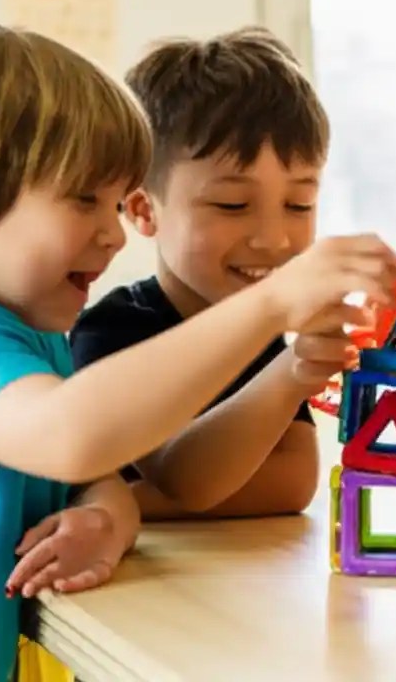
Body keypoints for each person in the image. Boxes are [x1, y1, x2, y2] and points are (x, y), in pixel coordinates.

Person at [0, 22, 396, 681]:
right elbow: (72, 435)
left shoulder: (31, 339)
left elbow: (99, 481)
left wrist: (101, 521)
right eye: (86, 200)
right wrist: (271, 306)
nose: (113, 236)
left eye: (115, 204)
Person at [70, 28, 340, 520]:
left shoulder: (262, 336)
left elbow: (294, 481)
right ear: (143, 210)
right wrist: (291, 373)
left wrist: (139, 502)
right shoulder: (112, 332)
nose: (274, 239)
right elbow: (184, 479)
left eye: (299, 204)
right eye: (233, 204)